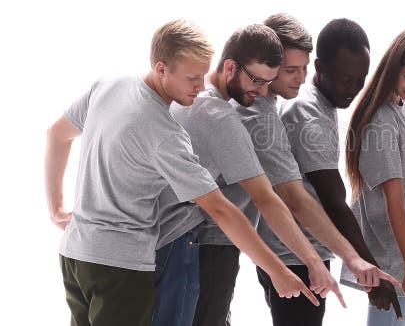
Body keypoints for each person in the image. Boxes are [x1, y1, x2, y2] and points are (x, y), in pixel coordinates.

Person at [45, 20, 314, 326]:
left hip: (75, 254)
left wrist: (56, 207)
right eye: (192, 78)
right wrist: (278, 270)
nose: (201, 87)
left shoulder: (109, 84)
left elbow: (57, 135)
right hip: (119, 265)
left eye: (203, 75)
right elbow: (220, 209)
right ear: (162, 69)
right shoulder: (165, 135)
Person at [153, 23, 341, 326]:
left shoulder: (188, 96)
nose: (263, 91)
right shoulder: (219, 117)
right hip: (205, 246)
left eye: (268, 82)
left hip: (173, 243)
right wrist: (313, 261)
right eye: (256, 80)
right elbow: (268, 198)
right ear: (230, 67)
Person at [226, 14, 399, 326]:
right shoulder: (288, 115)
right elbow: (303, 198)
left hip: (282, 252)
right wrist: (357, 263)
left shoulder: (280, 106)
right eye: (291, 70)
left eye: (302, 68)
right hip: (291, 256)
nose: (301, 78)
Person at [280, 18, 405, 321]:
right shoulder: (307, 114)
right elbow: (334, 202)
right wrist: (371, 272)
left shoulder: (323, 104)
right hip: (296, 260)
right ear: (319, 67)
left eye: (361, 79)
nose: (353, 89)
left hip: (306, 253)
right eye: (345, 79)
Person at [342, 28, 405, 326]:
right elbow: (394, 200)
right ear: (393, 67)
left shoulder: (400, 104)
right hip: (396, 257)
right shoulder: (382, 122)